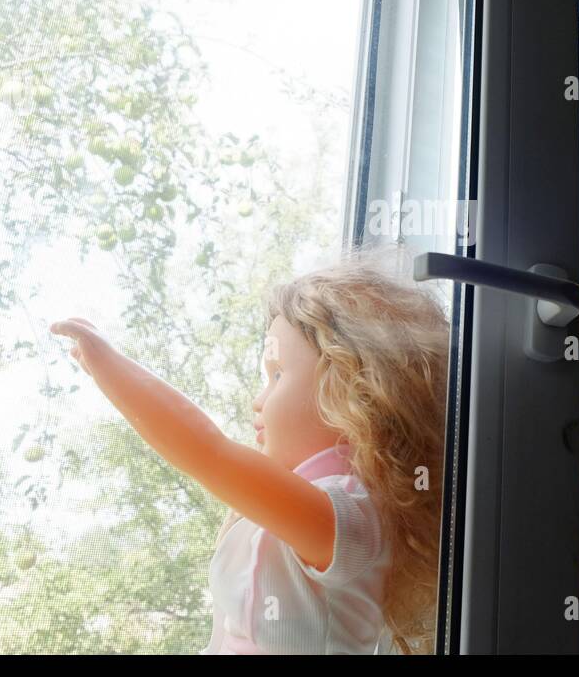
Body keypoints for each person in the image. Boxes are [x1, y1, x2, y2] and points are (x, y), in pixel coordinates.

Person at [51, 248, 449, 653]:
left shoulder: (351, 517)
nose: (257, 401)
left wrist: (112, 369)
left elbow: (209, 454)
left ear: (354, 392)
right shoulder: (301, 515)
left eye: (277, 375)